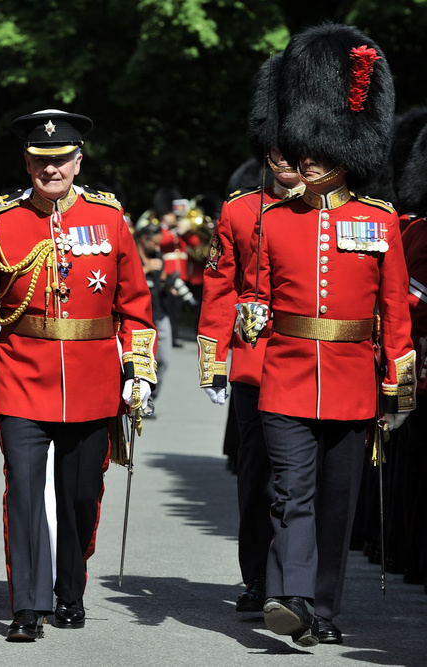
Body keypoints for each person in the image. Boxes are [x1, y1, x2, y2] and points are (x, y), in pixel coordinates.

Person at [0, 109, 157, 641]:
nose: (51, 169)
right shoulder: (1, 222)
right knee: (23, 491)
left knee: (81, 496)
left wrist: (139, 370)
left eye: (61, 159)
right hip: (21, 375)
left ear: (78, 161)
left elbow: (134, 303)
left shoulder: (109, 220)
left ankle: (70, 587)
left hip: (93, 379)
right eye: (41, 161)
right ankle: (28, 605)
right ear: (28, 162)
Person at [239, 24, 415, 647]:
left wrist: (400, 386)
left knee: (337, 503)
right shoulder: (272, 222)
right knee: (290, 492)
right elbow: (254, 296)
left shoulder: (379, 223)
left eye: (317, 149)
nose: (304, 158)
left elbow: (394, 310)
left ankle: (324, 607)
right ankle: (290, 596)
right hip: (286, 376)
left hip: (351, 380)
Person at [196, 52, 304, 616]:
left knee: (299, 482)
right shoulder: (240, 212)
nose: (290, 167)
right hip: (255, 359)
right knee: (257, 477)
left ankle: (296, 583)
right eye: (282, 157)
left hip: (310, 356)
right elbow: (218, 289)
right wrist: (213, 361)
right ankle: (259, 578)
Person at [133, 220, 169, 405]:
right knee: (140, 360)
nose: (157, 247)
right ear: (144, 239)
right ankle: (138, 398)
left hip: (160, 313)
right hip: (139, 315)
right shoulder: (131, 253)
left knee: (163, 359)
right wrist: (146, 269)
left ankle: (151, 398)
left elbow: (161, 281)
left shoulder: (157, 255)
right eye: (154, 243)